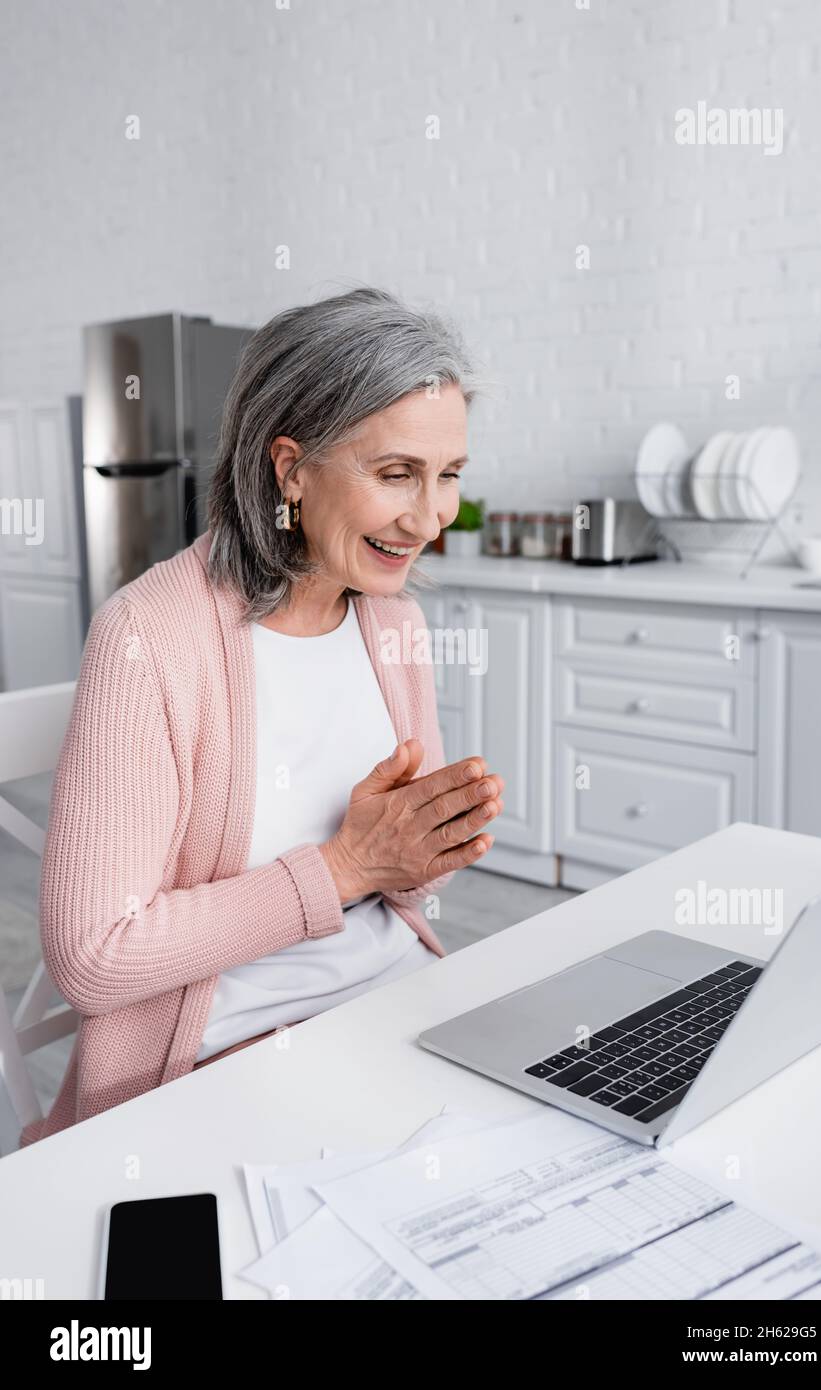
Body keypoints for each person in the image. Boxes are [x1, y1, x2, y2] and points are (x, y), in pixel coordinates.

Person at [20, 286, 503, 1146]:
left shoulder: (393, 622)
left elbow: (402, 889)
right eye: (397, 474)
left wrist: (422, 851)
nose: (431, 517)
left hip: (399, 1015)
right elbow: (94, 956)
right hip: (224, 1065)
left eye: (449, 476)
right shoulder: (148, 638)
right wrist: (345, 868)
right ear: (290, 469)